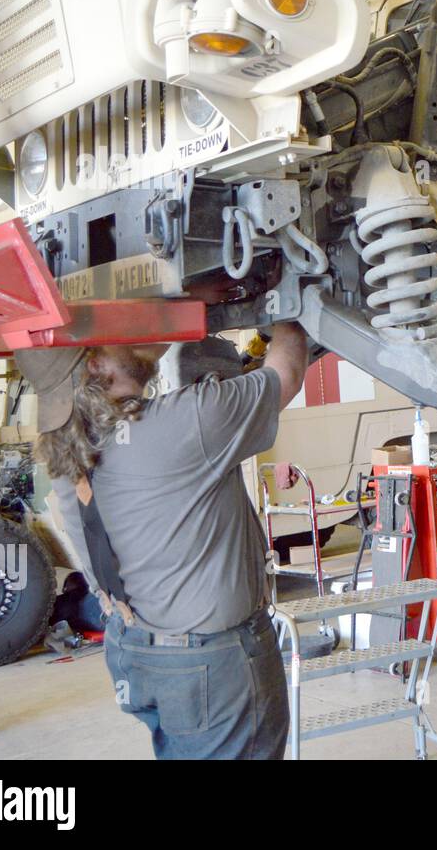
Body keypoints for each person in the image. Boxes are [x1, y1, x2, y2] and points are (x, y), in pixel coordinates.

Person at [16, 324, 308, 759]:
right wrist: (287, 316)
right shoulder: (185, 419)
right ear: (94, 363)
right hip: (210, 664)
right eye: (111, 327)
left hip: (136, 648)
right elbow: (286, 372)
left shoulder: (67, 450)